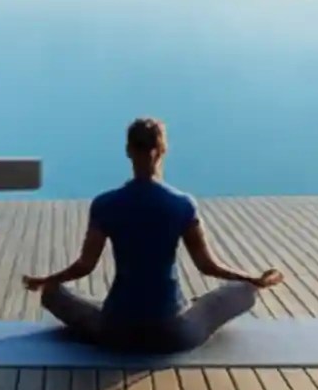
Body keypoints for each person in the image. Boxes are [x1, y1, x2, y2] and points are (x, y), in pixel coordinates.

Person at [21, 117, 285, 353]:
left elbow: (84, 266)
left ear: (128, 150)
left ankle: (85, 300)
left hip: (115, 331)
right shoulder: (182, 204)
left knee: (52, 293)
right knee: (244, 291)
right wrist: (253, 279)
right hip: (173, 334)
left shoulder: (105, 204)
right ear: (162, 151)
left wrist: (46, 280)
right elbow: (207, 266)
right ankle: (199, 302)